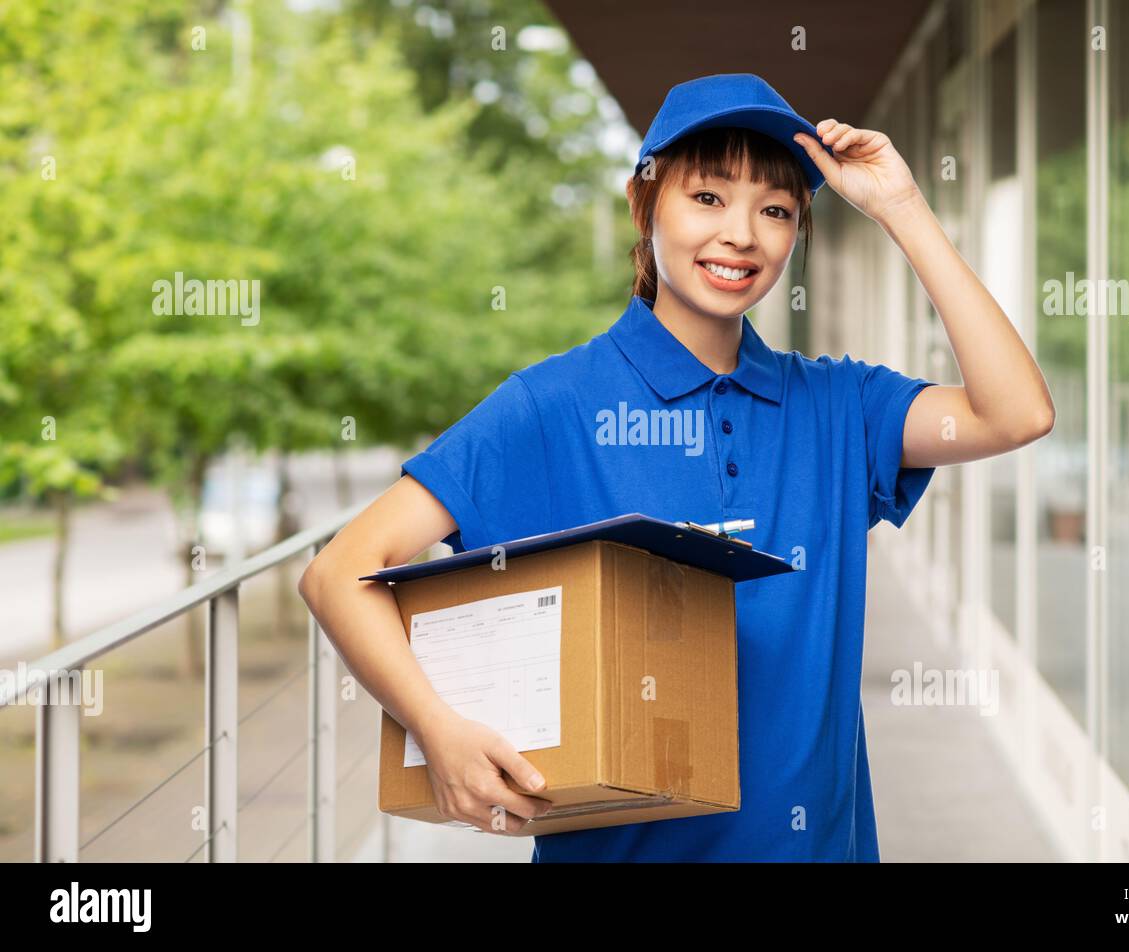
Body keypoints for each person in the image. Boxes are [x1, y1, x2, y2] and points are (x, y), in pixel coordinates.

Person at [298, 72, 1055, 862]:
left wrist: (901, 208)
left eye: (775, 210)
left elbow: (1017, 413)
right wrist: (438, 728)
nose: (742, 235)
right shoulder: (553, 406)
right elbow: (341, 570)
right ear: (643, 204)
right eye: (707, 198)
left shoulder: (840, 407)